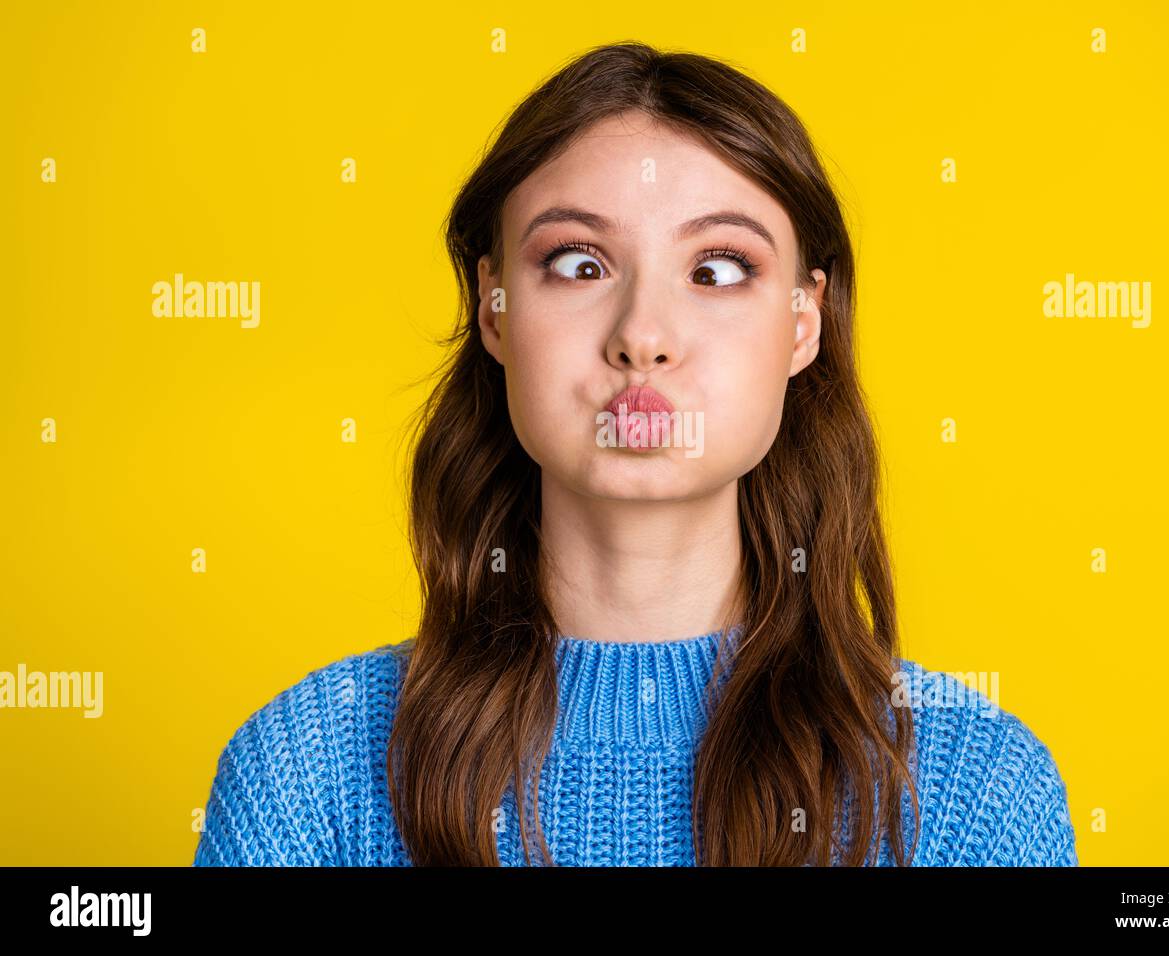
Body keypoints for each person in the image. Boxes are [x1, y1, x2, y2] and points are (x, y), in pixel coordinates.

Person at [194, 40, 1077, 867]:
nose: (643, 337)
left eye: (719, 268)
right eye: (579, 264)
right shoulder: (309, 778)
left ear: (803, 322)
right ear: (494, 307)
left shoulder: (973, 790)